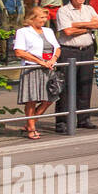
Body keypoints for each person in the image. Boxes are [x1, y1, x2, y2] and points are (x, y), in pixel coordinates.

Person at [54, 0, 98, 131]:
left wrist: (78, 24)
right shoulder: (63, 11)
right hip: (69, 51)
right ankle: (62, 121)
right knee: (66, 86)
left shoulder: (89, 9)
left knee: (85, 85)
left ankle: (83, 119)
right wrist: (88, 26)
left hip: (87, 50)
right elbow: (67, 32)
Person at [14, 7, 60, 139]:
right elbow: (19, 52)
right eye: (41, 17)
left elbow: (57, 47)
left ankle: (31, 122)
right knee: (31, 99)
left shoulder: (48, 31)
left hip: (48, 68)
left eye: (45, 17)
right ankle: (31, 128)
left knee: (50, 97)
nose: (44, 20)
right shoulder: (23, 32)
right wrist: (39, 62)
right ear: (32, 18)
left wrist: (53, 59)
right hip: (32, 68)